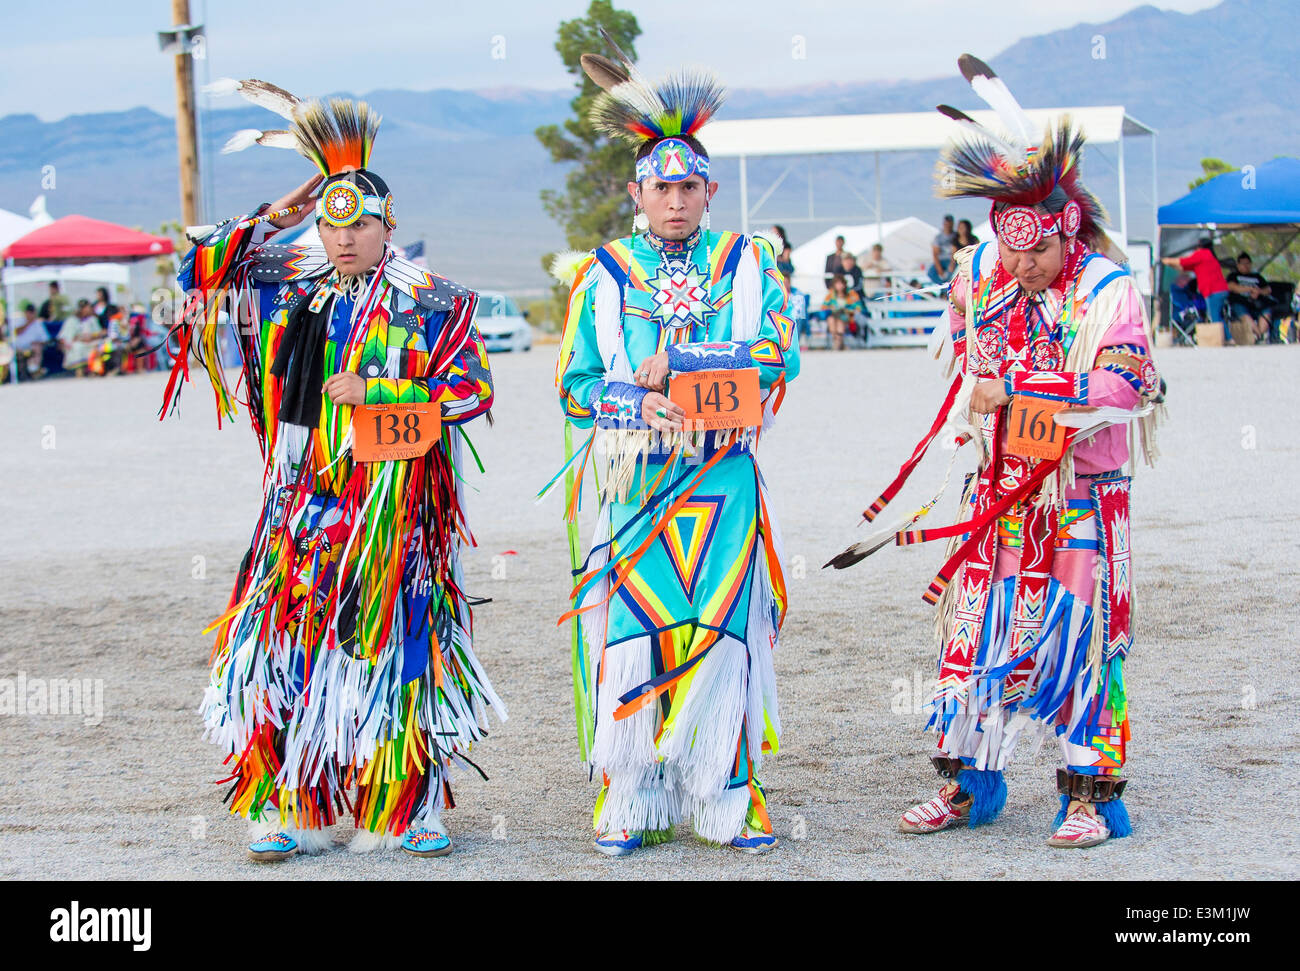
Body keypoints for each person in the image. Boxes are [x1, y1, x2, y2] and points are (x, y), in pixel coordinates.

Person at [160, 87, 504, 862]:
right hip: (302, 508)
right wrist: (272, 215)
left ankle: (405, 805)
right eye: (332, 223)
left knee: (400, 651)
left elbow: (475, 389)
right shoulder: (290, 284)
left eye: (361, 225)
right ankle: (288, 803)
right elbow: (203, 270)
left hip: (396, 516)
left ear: (389, 228)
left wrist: (384, 390)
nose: (344, 237)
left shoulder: (434, 303)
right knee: (290, 646)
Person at [830, 54, 1164, 850]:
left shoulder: (1107, 288)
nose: (1022, 266)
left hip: (1080, 496)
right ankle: (967, 782)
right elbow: (965, 361)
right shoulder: (980, 272)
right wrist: (986, 401)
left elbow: (1125, 386)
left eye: (1037, 254)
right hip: (1000, 494)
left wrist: (1018, 392)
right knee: (976, 631)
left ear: (1067, 231)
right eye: (1010, 251)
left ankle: (1089, 798)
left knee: (1079, 638)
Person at [550, 48, 800, 857]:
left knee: (718, 627)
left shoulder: (746, 263)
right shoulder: (606, 275)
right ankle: (631, 791)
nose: (676, 201)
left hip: (722, 480)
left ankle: (724, 793)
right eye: (661, 187)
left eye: (690, 186)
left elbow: (777, 353)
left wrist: (687, 365)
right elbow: (575, 384)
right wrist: (638, 399)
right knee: (634, 630)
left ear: (710, 191)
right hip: (635, 484)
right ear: (636, 194)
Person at [1162, 238, 1230, 344]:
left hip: (1213, 291)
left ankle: (1223, 339)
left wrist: (1168, 260)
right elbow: (1183, 267)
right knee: (1217, 315)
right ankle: (1229, 338)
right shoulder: (1207, 258)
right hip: (1220, 290)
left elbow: (1183, 261)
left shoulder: (1203, 253)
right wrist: (1171, 264)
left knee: (1214, 316)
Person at [1226, 252, 1277, 344]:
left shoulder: (1257, 276)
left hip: (1258, 303)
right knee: (1243, 313)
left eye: (1247, 263)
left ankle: (1259, 334)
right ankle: (1259, 335)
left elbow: (1268, 289)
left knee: (1267, 312)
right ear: (1238, 265)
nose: (1245, 266)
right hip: (1240, 303)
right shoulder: (1233, 276)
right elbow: (1232, 287)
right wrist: (1250, 289)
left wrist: (1259, 291)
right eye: (1243, 263)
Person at [58, 300, 102, 377]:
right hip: (77, 342)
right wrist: (80, 338)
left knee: (99, 346)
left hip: (92, 341)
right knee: (78, 347)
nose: (89, 310)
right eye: (87, 308)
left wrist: (92, 337)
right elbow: (66, 336)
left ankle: (95, 370)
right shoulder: (72, 320)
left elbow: (98, 333)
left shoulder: (92, 319)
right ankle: (80, 370)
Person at [821, 273, 864, 351]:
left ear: (844, 284)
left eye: (841, 283)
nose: (839, 286)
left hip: (848, 317)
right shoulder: (831, 295)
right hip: (834, 316)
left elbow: (858, 307)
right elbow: (824, 307)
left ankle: (837, 345)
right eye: (837, 283)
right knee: (831, 320)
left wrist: (847, 310)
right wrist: (832, 308)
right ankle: (840, 344)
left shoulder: (851, 294)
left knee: (840, 321)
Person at [12, 302, 48, 380]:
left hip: (33, 347)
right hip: (19, 347)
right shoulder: (20, 321)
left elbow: (45, 339)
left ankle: (34, 370)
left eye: (32, 313)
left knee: (36, 348)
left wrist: (37, 343)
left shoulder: (38, 324)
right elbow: (17, 332)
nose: (30, 314)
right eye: (29, 312)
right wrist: (28, 323)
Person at [928, 214, 958, 285]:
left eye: (950, 223)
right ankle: (943, 287)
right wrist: (939, 269)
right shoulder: (938, 237)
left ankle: (947, 288)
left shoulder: (956, 236)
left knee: (951, 275)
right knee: (931, 273)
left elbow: (955, 251)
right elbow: (935, 254)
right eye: (946, 223)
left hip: (952, 260)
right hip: (941, 261)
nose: (948, 225)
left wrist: (952, 263)